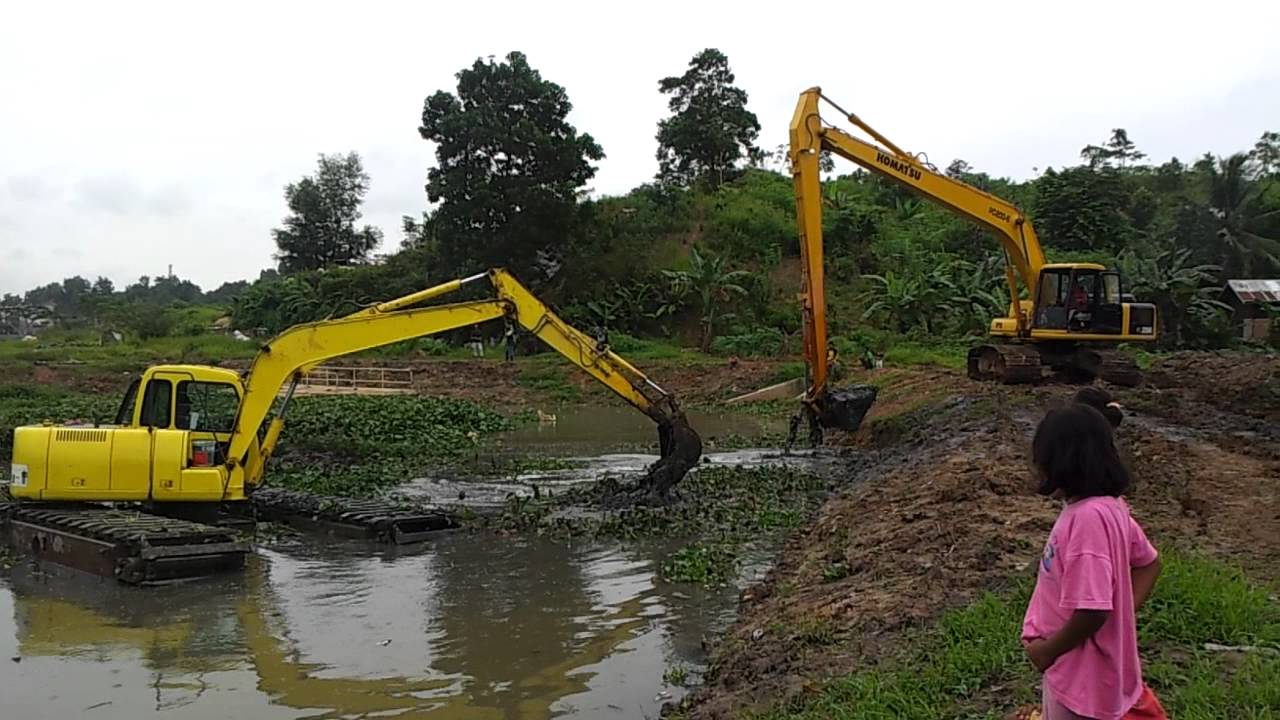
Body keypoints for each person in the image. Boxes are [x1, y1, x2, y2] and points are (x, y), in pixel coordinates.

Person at [1022, 403, 1166, 720]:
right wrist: (1122, 612)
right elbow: (1148, 563)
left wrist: (1047, 651)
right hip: (1087, 668)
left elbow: (1093, 610)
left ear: (1057, 461)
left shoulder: (1085, 521)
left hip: (1079, 676)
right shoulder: (1111, 506)